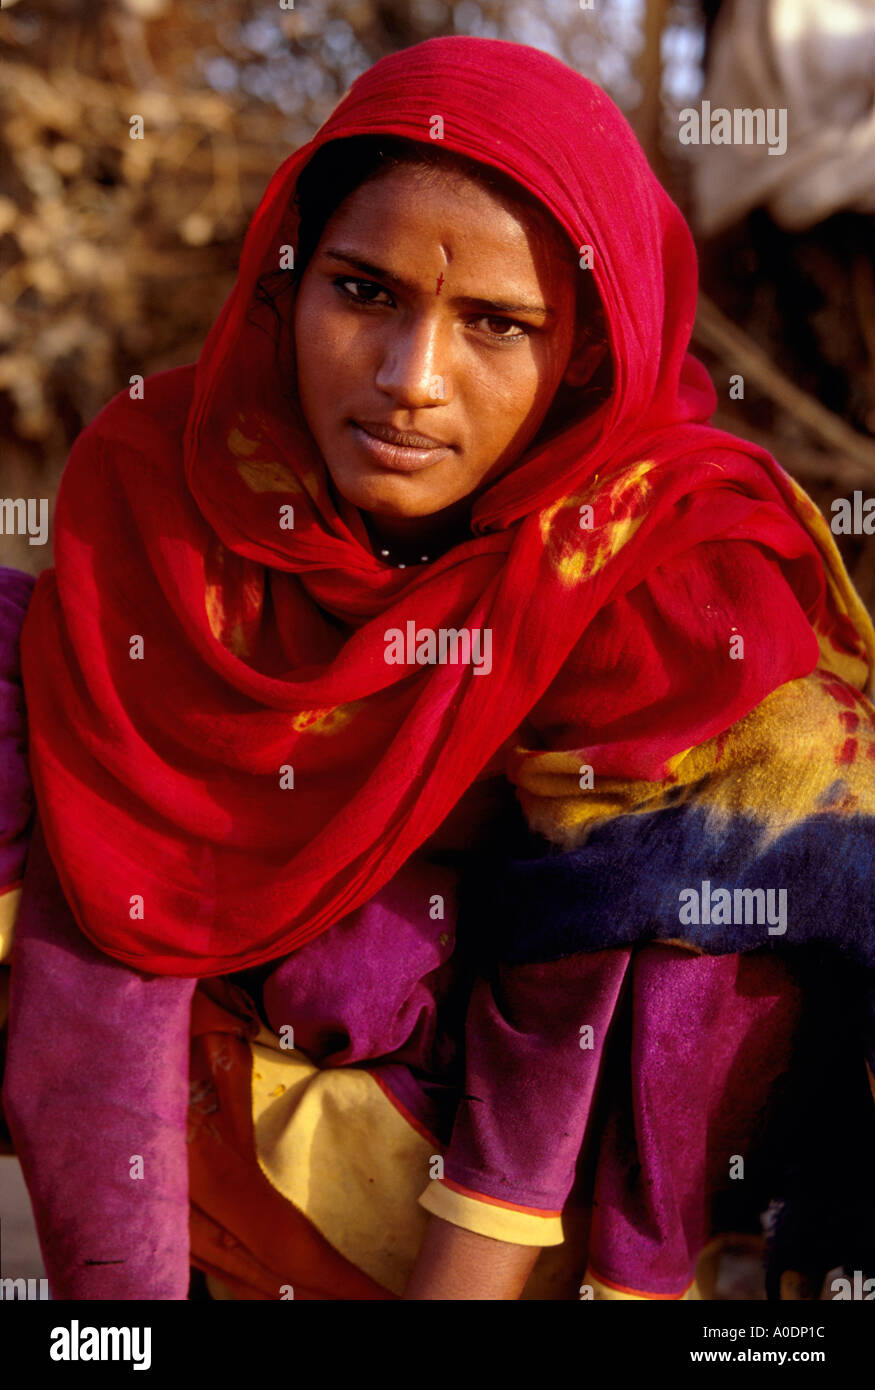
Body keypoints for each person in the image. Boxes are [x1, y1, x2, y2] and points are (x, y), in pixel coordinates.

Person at [2, 34, 875, 1302]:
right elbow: (115, 930)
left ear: (580, 347)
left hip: (568, 1189)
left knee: (758, 774)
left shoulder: (663, 550)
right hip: (255, 1110)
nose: (411, 380)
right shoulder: (161, 491)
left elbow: (577, 991)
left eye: (494, 324)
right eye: (362, 294)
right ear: (285, 287)